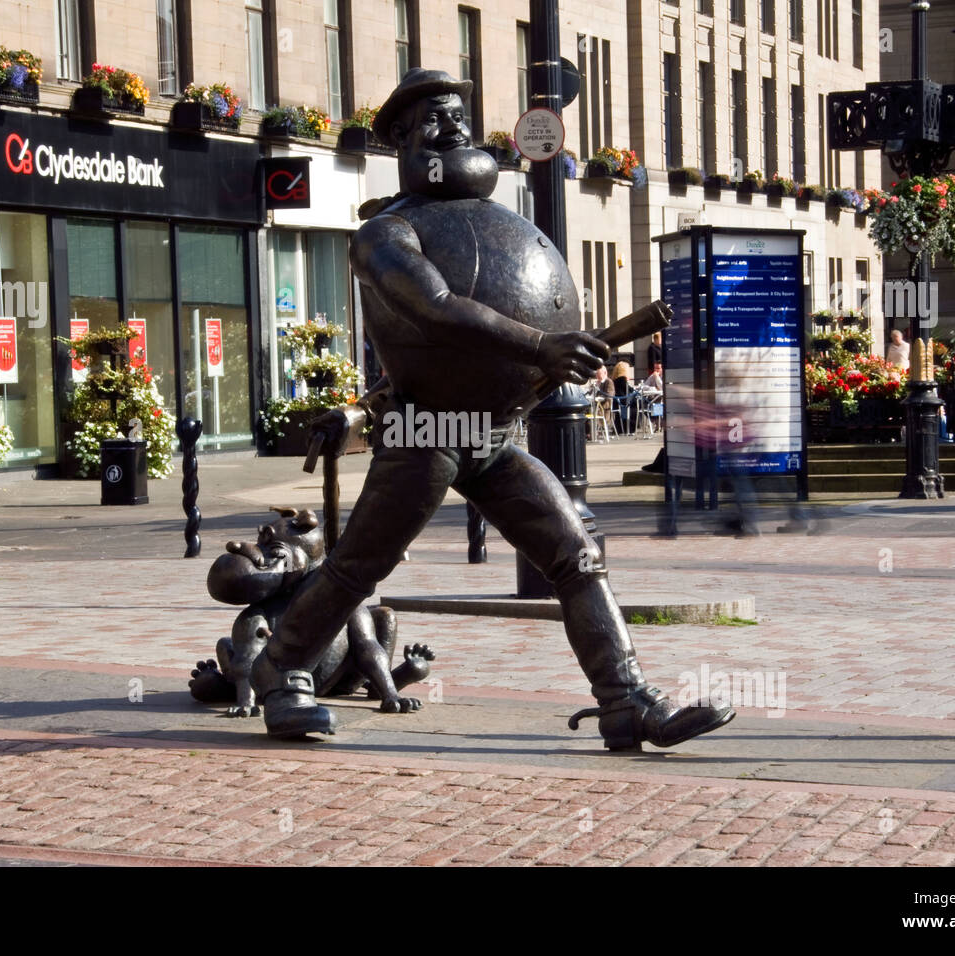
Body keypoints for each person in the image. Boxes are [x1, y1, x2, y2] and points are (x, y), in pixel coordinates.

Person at [247, 68, 734, 751]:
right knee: (360, 565)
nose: (454, 127)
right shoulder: (384, 236)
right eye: (434, 119)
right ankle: (281, 666)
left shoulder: (482, 216)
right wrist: (542, 344)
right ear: (402, 141)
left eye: (458, 115)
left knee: (576, 558)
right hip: (428, 430)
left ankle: (627, 703)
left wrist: (543, 352)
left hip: (495, 430)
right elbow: (435, 308)